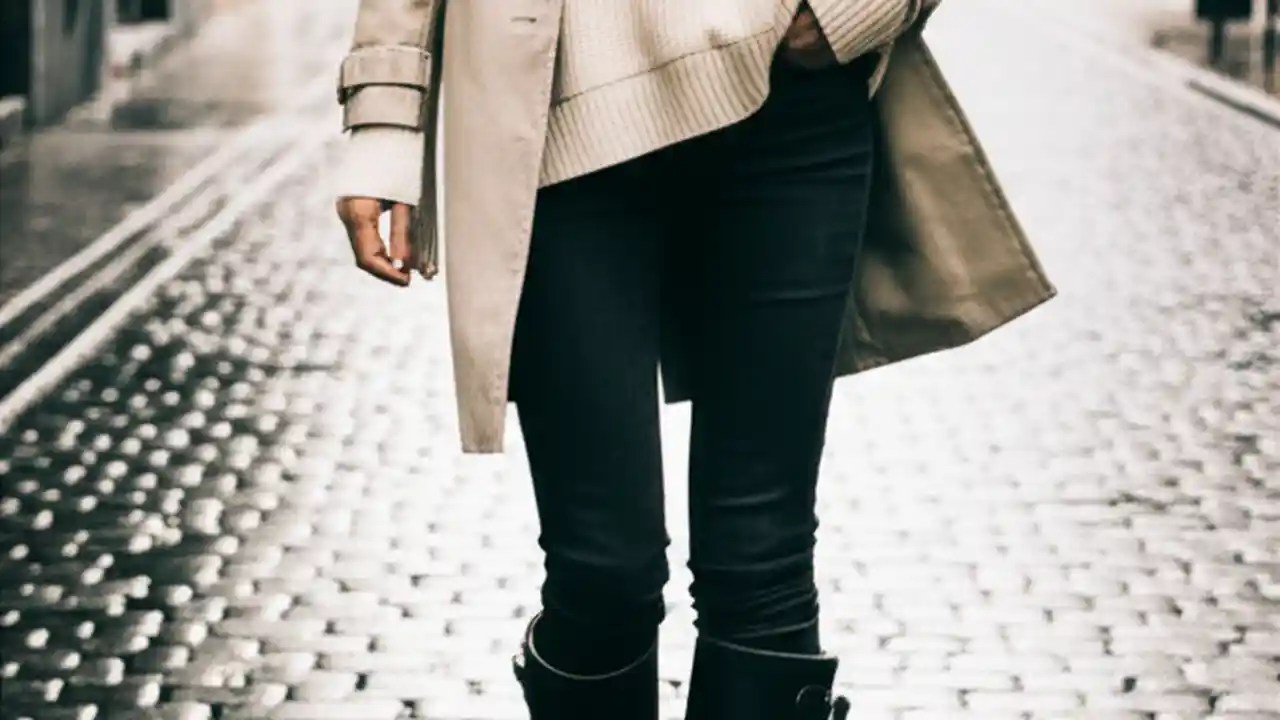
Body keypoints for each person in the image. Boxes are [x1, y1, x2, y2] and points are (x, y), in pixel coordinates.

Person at [333, 1, 1052, 717]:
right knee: (604, 574)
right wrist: (385, 114)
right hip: (554, 117)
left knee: (762, 567)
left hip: (788, 108)